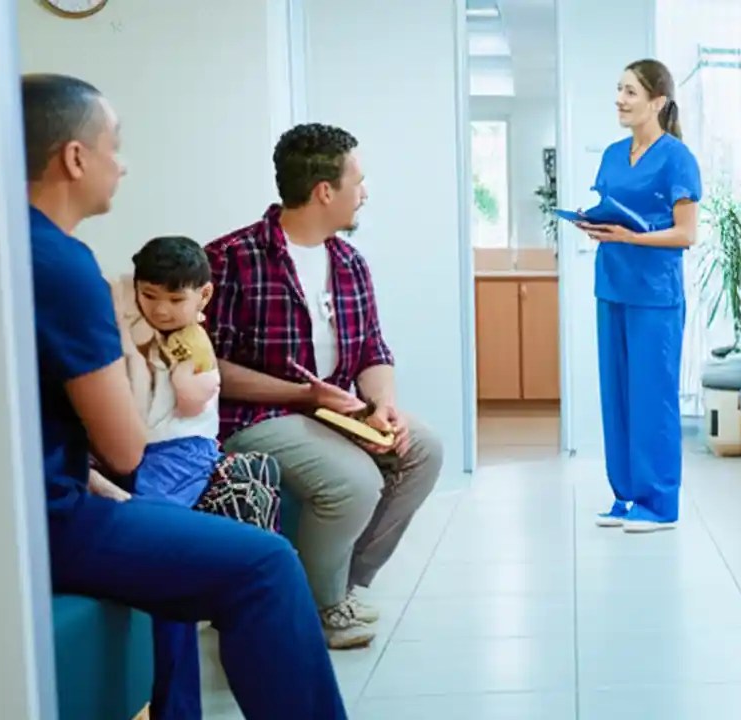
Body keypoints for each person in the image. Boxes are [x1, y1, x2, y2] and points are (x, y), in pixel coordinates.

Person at [23, 73, 346, 719]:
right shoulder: (61, 265)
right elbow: (124, 447)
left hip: (40, 499)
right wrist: (123, 344)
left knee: (177, 554)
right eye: (114, 145)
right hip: (43, 523)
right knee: (266, 563)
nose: (123, 163)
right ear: (75, 157)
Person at [206, 122, 444, 649]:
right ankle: (319, 607)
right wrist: (304, 396)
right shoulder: (231, 259)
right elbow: (210, 367)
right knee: (355, 480)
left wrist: (384, 405)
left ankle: (341, 584)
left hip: (333, 408)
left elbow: (373, 352)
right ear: (324, 192)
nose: (365, 193)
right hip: (258, 418)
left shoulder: (348, 263)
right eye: (358, 181)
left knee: (422, 447)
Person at [101, 235, 283, 718]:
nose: (160, 310)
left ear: (203, 296)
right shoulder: (147, 330)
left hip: (182, 452)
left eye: (175, 299)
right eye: (149, 295)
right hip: (142, 449)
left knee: (155, 551)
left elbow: (188, 399)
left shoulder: (194, 343)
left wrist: (138, 343)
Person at [576, 59, 702, 533]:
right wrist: (595, 226)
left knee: (654, 397)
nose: (620, 100)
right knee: (618, 395)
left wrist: (629, 238)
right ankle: (625, 496)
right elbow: (612, 212)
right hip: (611, 286)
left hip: (654, 294)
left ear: (657, 102)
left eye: (630, 92)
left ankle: (660, 503)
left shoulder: (676, 157)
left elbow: (686, 233)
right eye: (618, 90)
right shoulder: (612, 153)